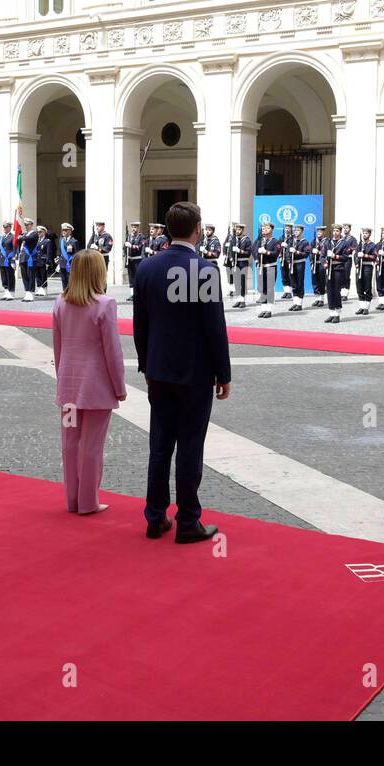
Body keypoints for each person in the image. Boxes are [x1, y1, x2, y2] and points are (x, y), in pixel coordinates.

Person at [132, 201, 231, 544]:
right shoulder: (204, 269)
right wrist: (224, 373)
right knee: (190, 446)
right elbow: (214, 328)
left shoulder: (146, 267)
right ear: (197, 229)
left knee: (160, 446)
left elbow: (139, 325)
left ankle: (155, 517)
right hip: (195, 373)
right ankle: (188, 521)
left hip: (159, 370)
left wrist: (145, 363)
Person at [52, 249, 126, 514]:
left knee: (69, 443)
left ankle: (72, 500)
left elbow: (58, 348)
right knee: (92, 446)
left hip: (68, 388)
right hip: (96, 389)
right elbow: (113, 352)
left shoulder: (60, 302)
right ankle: (88, 501)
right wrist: (120, 387)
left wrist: (62, 379)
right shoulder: (105, 304)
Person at [222, 222, 251, 308]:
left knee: (242, 281)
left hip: (243, 262)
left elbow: (248, 253)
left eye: (239, 229)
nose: (237, 231)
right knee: (236, 282)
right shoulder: (233, 240)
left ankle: (243, 300)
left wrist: (240, 251)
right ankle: (238, 299)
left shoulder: (246, 240)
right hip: (235, 263)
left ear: (242, 230)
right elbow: (230, 251)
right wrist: (231, 258)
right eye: (236, 229)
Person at [0, 222, 17, 301]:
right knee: (4, 277)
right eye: (4, 227)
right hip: (2, 259)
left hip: (9, 259)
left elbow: (14, 249)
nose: (5, 229)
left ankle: (11, 293)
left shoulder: (13, 237)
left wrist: (13, 261)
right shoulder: (1, 237)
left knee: (10, 276)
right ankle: (6, 292)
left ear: (10, 228)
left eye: (6, 227)